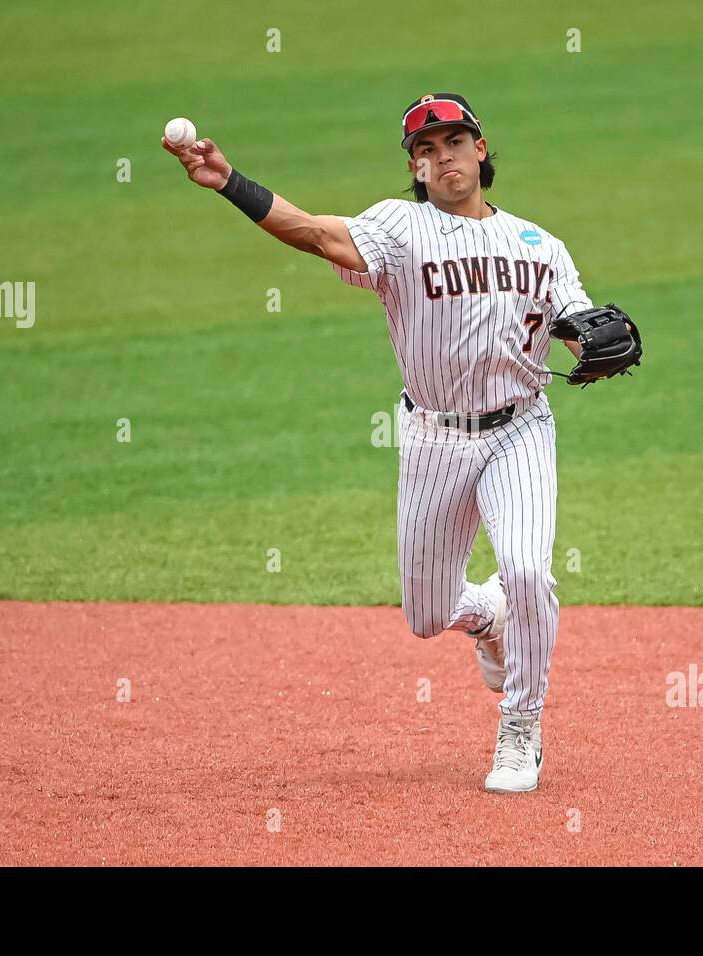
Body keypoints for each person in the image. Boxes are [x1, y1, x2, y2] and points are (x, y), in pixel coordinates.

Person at [163, 92, 599, 793]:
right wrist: (230, 183)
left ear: (480, 151)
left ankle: (521, 727)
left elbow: (578, 322)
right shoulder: (401, 229)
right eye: (425, 151)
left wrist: (596, 337)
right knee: (427, 614)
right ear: (416, 169)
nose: (441, 156)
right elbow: (311, 231)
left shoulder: (540, 246)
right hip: (433, 437)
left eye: (453, 142)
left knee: (527, 569)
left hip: (521, 428)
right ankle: (486, 618)